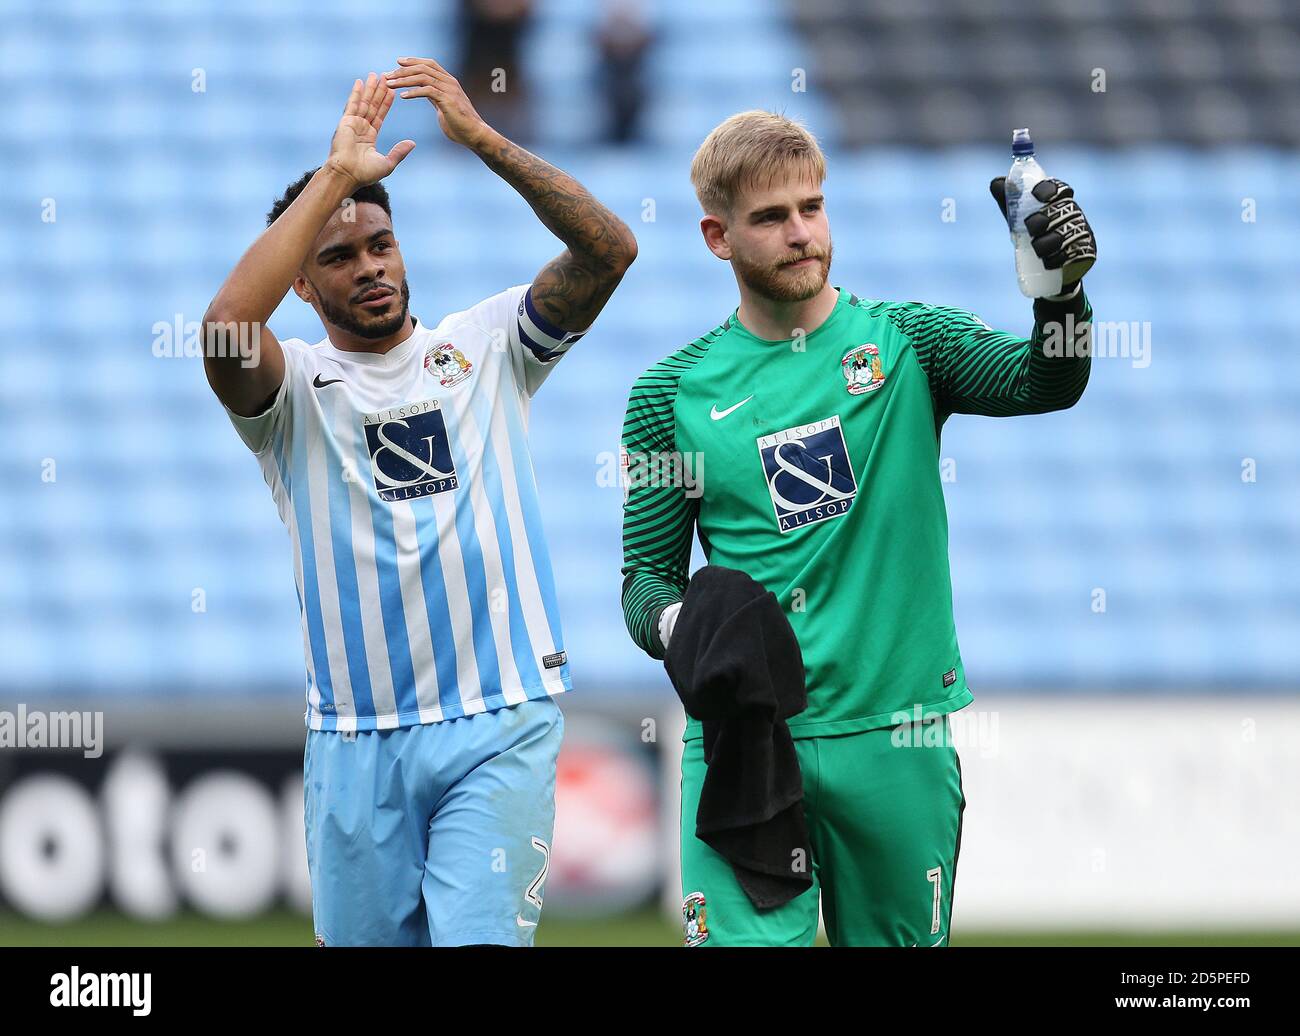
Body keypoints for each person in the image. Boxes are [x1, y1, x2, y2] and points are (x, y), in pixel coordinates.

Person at [620, 110, 1096, 946]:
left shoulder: (910, 342)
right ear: (716, 237)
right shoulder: (671, 395)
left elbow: (1042, 384)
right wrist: (683, 623)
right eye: (770, 217)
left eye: (812, 207)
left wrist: (1061, 294)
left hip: (896, 734)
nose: (800, 233)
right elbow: (643, 580)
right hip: (745, 749)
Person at [200, 63, 636, 946]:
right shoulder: (294, 396)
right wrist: (338, 176)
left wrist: (480, 140)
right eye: (337, 256)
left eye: (379, 245)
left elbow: (609, 251)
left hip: (497, 723)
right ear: (302, 284)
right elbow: (223, 333)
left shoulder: (488, 347)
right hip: (356, 739)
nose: (368, 268)